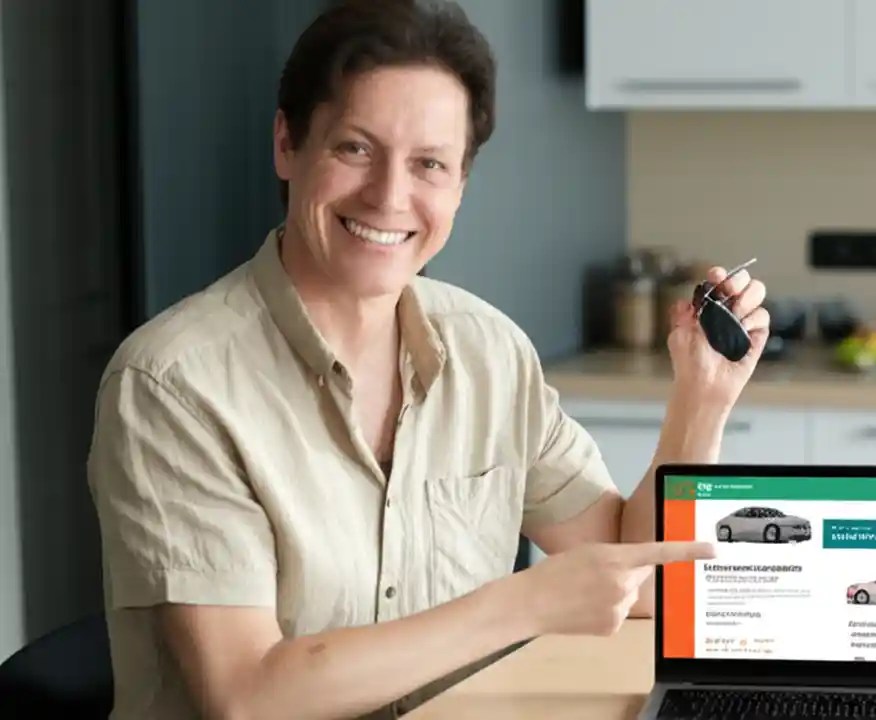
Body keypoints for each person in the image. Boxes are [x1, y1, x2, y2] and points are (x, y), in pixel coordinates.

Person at [85, 1, 770, 718]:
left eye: (429, 165)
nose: (389, 196)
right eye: (355, 148)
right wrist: (521, 604)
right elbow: (248, 696)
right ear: (287, 143)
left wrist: (702, 397)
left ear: (461, 186)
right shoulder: (171, 384)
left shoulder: (490, 352)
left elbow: (645, 582)